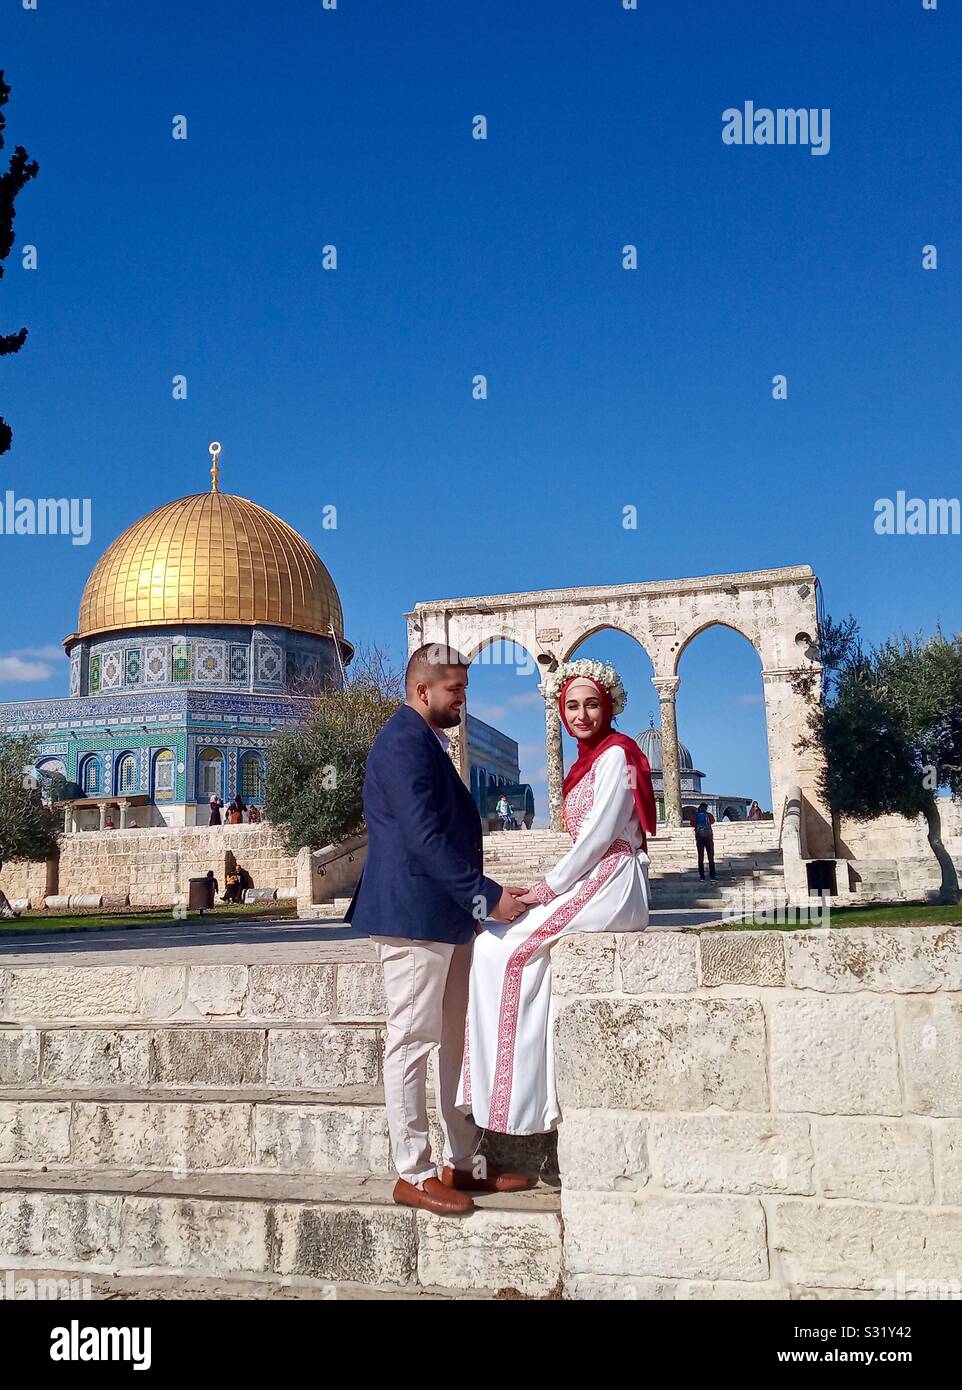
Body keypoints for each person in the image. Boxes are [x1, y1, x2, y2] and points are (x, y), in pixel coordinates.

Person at [346, 643, 529, 1217]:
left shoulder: (425, 742)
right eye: (456, 692)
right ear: (424, 690)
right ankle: (415, 1172)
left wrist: (482, 897)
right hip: (413, 918)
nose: (462, 703)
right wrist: (487, 896)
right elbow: (425, 839)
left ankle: (463, 1160)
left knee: (455, 1041)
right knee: (411, 1043)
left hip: (443, 918)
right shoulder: (402, 743)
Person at [458, 661, 655, 1137]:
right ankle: (491, 1089)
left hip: (613, 879)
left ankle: (510, 1101)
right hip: (592, 875)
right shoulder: (588, 761)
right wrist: (548, 887)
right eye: (572, 706)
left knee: (500, 948)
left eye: (591, 704)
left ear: (608, 705)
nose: (581, 715)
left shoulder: (617, 756)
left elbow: (600, 836)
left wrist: (547, 888)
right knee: (490, 944)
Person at [694, 801, 716, 879]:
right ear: (706, 808)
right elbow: (713, 821)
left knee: (701, 857)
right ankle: (712, 876)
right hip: (709, 838)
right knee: (710, 857)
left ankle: (702, 876)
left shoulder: (696, 815)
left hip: (699, 838)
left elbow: (691, 823)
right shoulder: (708, 815)